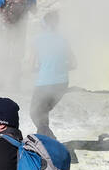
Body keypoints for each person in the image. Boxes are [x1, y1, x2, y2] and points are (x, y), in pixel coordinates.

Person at [29, 11, 75, 139]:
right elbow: (73, 63)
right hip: (62, 82)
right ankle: (46, 140)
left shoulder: (37, 40)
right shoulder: (63, 39)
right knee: (43, 114)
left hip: (44, 82)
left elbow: (31, 65)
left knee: (35, 113)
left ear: (43, 25)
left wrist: (39, 68)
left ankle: (49, 142)